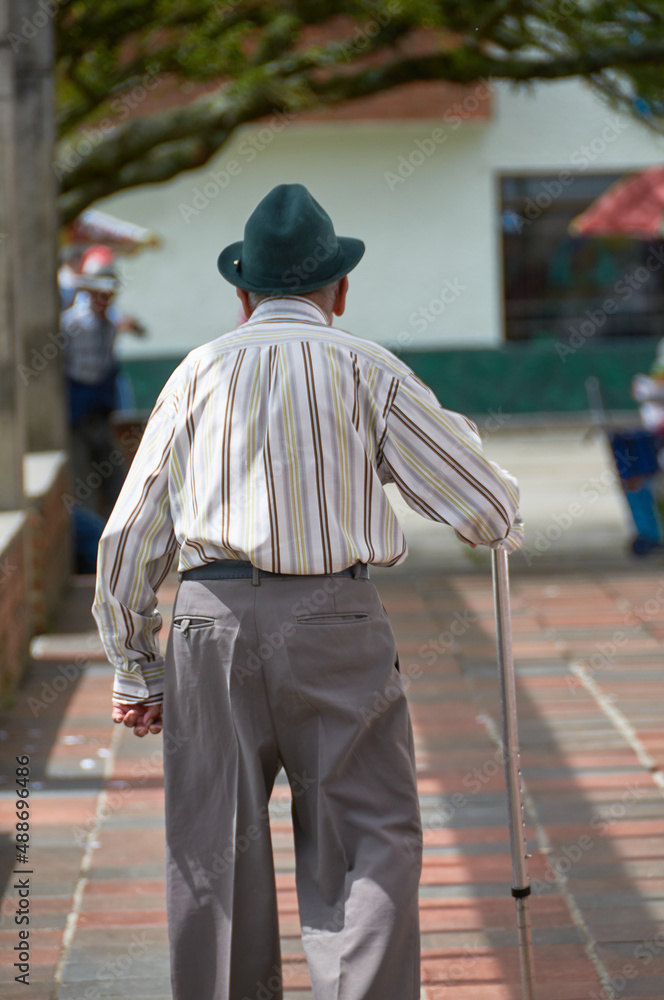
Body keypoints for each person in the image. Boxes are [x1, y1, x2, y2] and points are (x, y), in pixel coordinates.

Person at [92, 183, 524, 1000]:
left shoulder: (197, 372)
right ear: (340, 290)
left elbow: (130, 535)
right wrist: (462, 443)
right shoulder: (368, 367)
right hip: (336, 619)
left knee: (211, 851)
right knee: (368, 838)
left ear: (242, 292)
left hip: (209, 624)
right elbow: (487, 510)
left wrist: (135, 667)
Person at [61, 245, 145, 520]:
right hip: (75, 417)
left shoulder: (110, 324)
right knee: (82, 483)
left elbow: (139, 330)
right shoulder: (70, 324)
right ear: (87, 290)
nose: (104, 297)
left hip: (100, 414)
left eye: (108, 292)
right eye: (99, 291)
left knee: (116, 481)